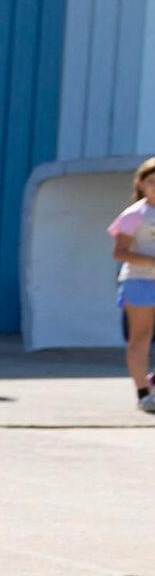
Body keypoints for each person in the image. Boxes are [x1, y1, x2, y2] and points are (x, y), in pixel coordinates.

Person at [111, 157, 155, 412]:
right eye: (151, 182)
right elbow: (120, 252)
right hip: (139, 281)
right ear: (141, 183)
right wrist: (150, 261)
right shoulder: (134, 215)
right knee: (141, 337)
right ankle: (142, 393)